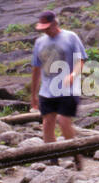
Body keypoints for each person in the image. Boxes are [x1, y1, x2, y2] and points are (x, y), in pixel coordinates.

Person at [31, 10, 87, 169]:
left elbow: (80, 60)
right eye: (43, 29)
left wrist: (72, 75)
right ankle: (53, 159)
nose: (45, 31)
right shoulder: (39, 42)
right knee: (47, 123)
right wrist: (33, 94)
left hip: (68, 89)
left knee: (63, 122)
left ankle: (76, 154)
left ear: (55, 23)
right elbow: (36, 68)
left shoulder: (71, 37)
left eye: (47, 27)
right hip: (47, 90)